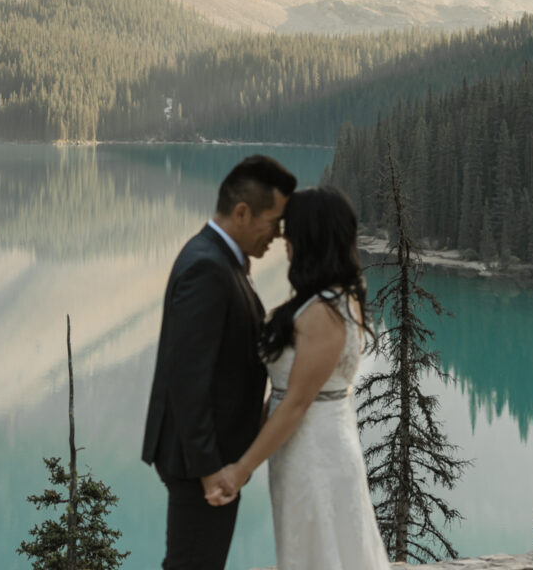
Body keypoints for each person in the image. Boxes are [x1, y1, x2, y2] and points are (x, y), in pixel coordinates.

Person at [206, 187, 390, 570]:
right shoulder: (323, 300)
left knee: (320, 551)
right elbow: (283, 396)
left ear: (310, 237)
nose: (283, 240)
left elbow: (296, 404)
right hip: (303, 451)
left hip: (316, 453)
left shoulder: (325, 312)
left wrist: (239, 472)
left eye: (289, 230)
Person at [142, 153, 297, 570]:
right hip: (202, 462)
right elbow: (188, 377)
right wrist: (210, 469)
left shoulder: (219, 259)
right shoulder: (208, 267)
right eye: (274, 222)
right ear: (243, 212)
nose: (278, 234)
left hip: (212, 456)